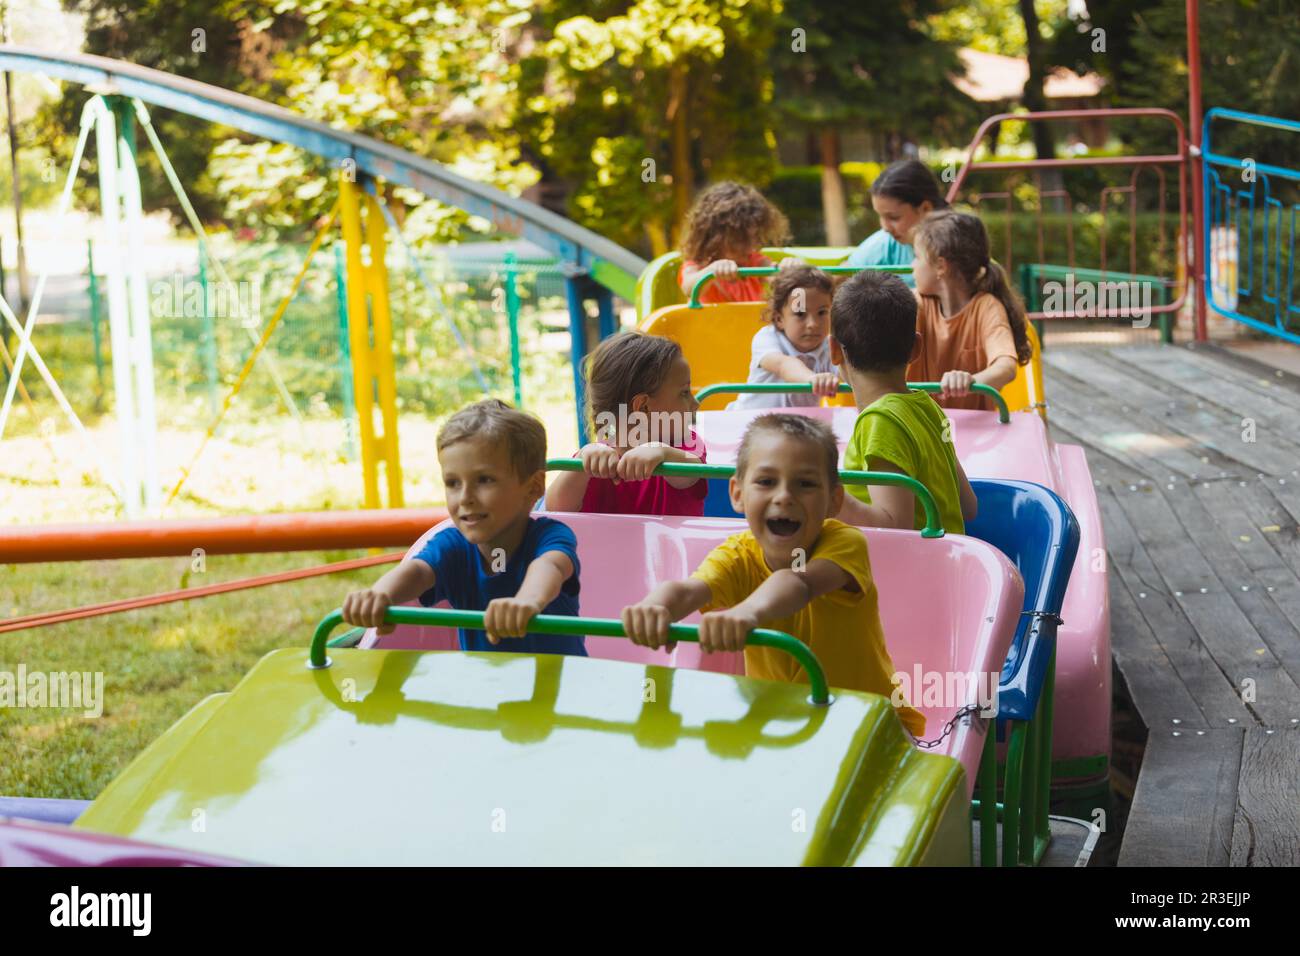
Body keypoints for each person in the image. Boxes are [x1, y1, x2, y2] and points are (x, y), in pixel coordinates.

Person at [620, 414, 923, 735]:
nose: (784, 497)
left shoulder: (845, 541)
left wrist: (747, 613)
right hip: (781, 727)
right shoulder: (737, 554)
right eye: (766, 482)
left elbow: (799, 582)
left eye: (805, 484)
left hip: (870, 725)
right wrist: (656, 608)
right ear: (737, 493)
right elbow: (688, 590)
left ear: (835, 500)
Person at [342, 399, 584, 655]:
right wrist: (379, 594)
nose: (465, 497)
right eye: (453, 483)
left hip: (560, 688)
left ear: (534, 486)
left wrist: (527, 602)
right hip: (486, 686)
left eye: (484, 480)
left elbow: (550, 566)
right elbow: (417, 571)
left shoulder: (549, 535)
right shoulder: (454, 545)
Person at [829, 271, 977, 534]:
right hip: (952, 560)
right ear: (916, 348)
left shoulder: (880, 422)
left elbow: (896, 529)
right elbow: (968, 506)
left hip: (916, 570)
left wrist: (828, 494)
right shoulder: (928, 407)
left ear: (833, 350)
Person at [544, 331, 708, 516]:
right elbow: (555, 508)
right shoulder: (597, 459)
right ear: (643, 407)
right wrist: (582, 461)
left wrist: (661, 451)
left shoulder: (687, 445)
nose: (696, 403)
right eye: (684, 393)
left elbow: (690, 475)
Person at [909, 209, 1033, 411]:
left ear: (941, 266)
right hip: (922, 426)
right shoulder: (918, 303)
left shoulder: (987, 307)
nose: (912, 265)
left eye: (916, 257)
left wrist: (970, 381)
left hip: (975, 430)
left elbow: (1006, 367)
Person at [730, 265, 841, 410]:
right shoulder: (767, 338)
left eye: (822, 313)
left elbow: (849, 372)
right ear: (779, 319)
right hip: (748, 418)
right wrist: (812, 379)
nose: (813, 324)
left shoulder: (829, 346)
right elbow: (783, 365)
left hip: (794, 426)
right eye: (800, 314)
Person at [678, 182, 798, 304]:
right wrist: (711, 272)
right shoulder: (699, 263)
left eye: (755, 238)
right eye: (740, 240)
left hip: (749, 322)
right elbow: (688, 288)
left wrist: (791, 272)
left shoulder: (754, 261)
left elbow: (776, 278)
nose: (751, 247)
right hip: (712, 322)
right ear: (715, 238)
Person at [843, 159, 949, 286]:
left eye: (894, 217)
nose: (885, 227)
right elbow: (841, 276)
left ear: (925, 209)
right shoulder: (888, 242)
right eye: (880, 216)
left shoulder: (958, 245)